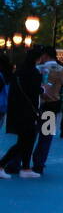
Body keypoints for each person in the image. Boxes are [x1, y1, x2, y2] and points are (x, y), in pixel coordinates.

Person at [0, 47, 42, 179]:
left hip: (17, 111)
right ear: (37, 58)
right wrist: (42, 90)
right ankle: (4, 164)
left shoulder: (18, 72)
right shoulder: (34, 73)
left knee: (25, 140)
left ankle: (25, 167)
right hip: (29, 112)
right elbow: (34, 92)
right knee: (25, 141)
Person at [26, 46, 63, 178]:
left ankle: (22, 162)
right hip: (53, 105)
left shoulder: (40, 69)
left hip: (38, 105)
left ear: (46, 55)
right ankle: (39, 164)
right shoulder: (62, 70)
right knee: (46, 136)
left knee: (30, 135)